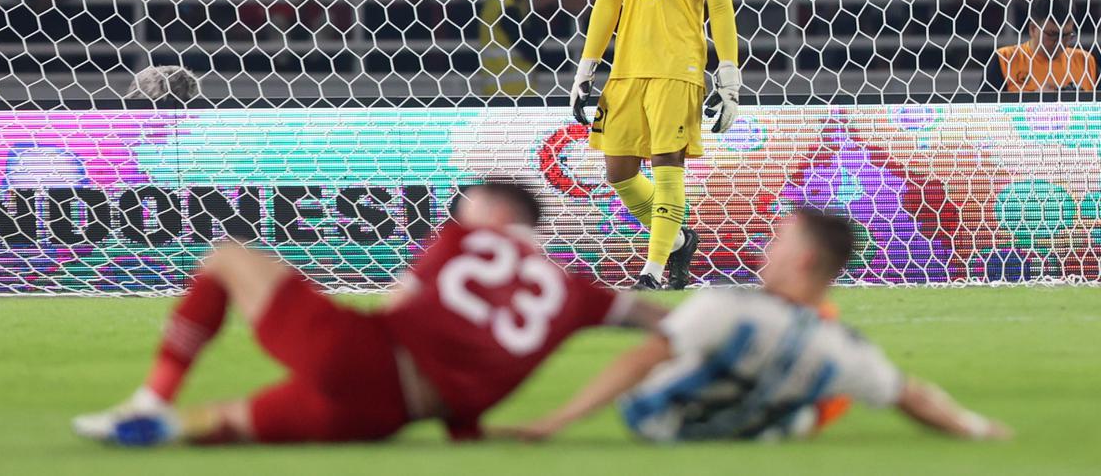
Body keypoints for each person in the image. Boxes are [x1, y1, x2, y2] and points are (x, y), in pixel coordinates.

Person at [72, 181, 667, 446]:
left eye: (472, 199)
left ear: (490, 208)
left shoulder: (460, 239)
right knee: (228, 423)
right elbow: (654, 319)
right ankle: (171, 428)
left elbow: (395, 305)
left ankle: (152, 400)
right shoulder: (581, 292)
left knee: (227, 256)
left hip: (362, 360)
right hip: (394, 414)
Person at [498, 208, 1012, 442]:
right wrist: (980, 429)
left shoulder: (725, 305)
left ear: (805, 261)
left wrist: (554, 422)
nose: (766, 248)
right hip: (758, 420)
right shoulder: (844, 351)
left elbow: (641, 359)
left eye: (779, 240)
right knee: (816, 400)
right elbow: (912, 398)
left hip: (656, 422)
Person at [567, 0, 742, 291]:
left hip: (679, 65)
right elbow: (608, 1)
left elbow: (721, 10)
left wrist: (728, 76)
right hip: (627, 66)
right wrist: (587, 66)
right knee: (619, 172)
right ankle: (679, 239)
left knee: (668, 164)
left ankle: (653, 270)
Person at [982, 0, 1098, 92]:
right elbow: (984, 114)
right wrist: (1034, 104)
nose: (1059, 42)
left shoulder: (1086, 62)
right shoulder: (1005, 59)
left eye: (1066, 35)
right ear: (1033, 29)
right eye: (1052, 34)